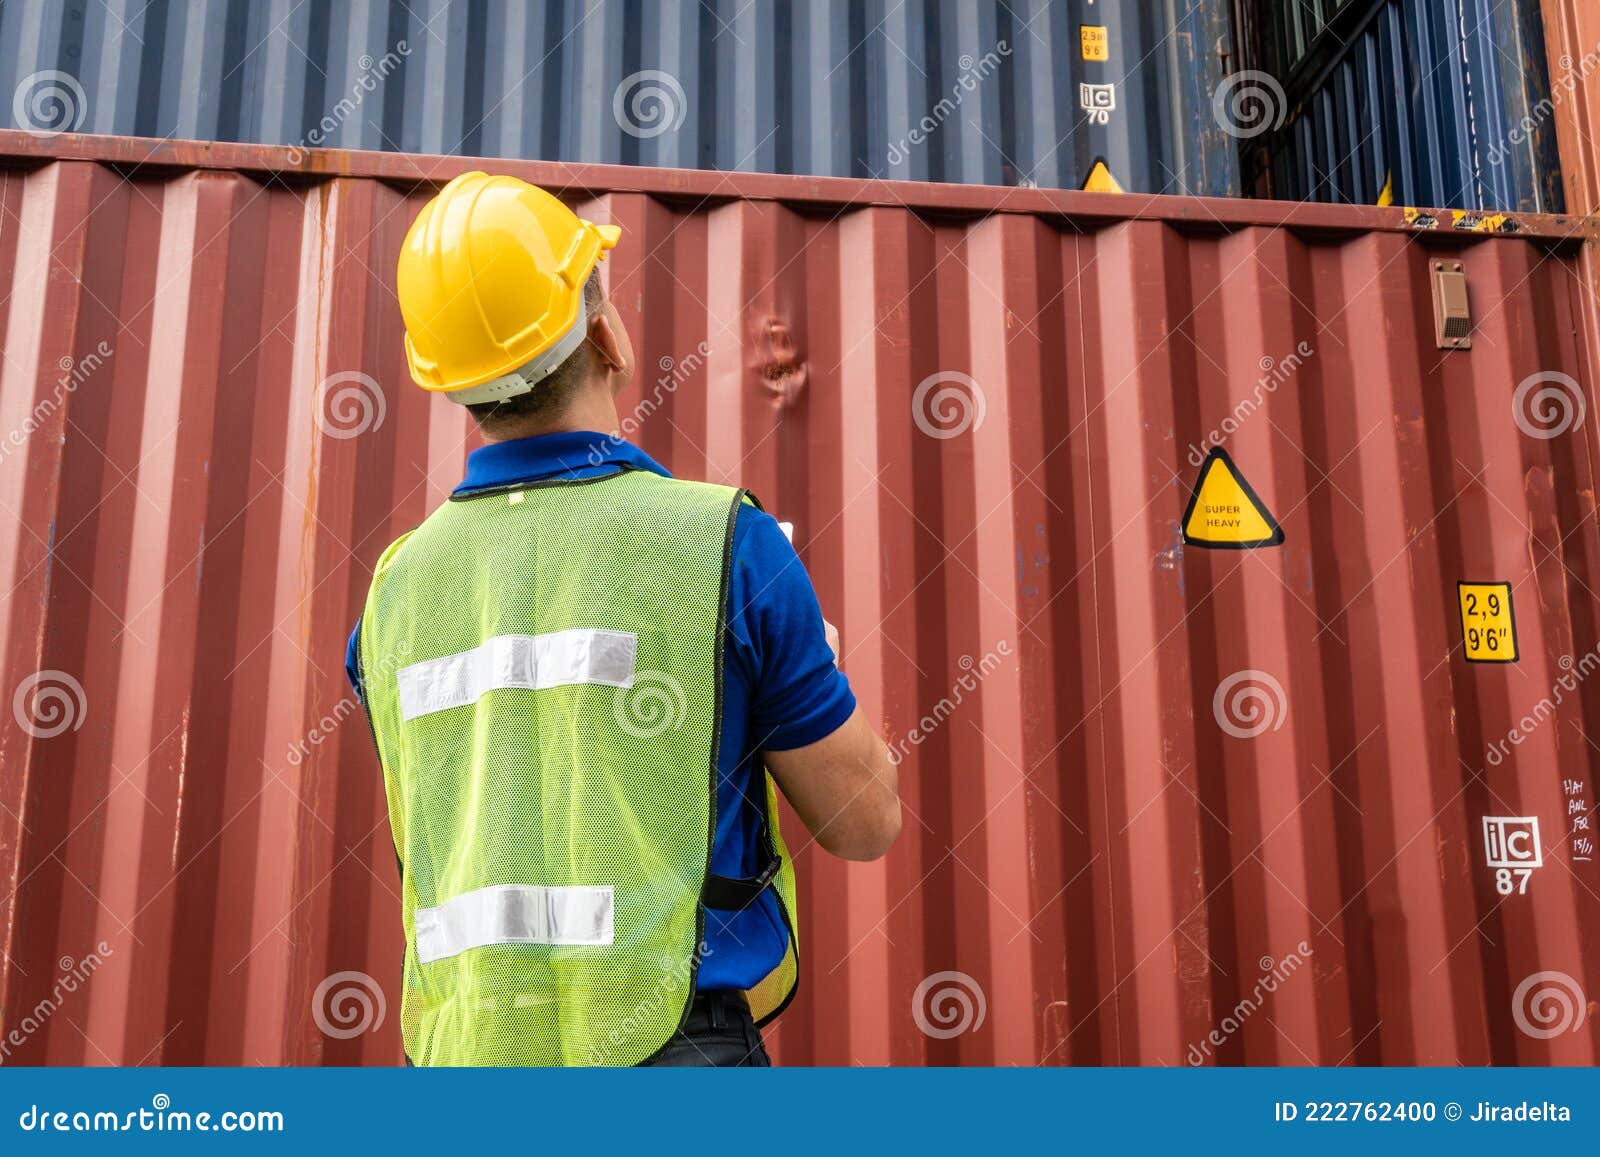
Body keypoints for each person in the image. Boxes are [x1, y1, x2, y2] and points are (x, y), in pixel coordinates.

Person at [345, 171, 900, 1067]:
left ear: (451, 383)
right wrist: (798, 669)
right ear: (606, 332)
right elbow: (865, 821)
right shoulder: (728, 547)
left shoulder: (395, 590)